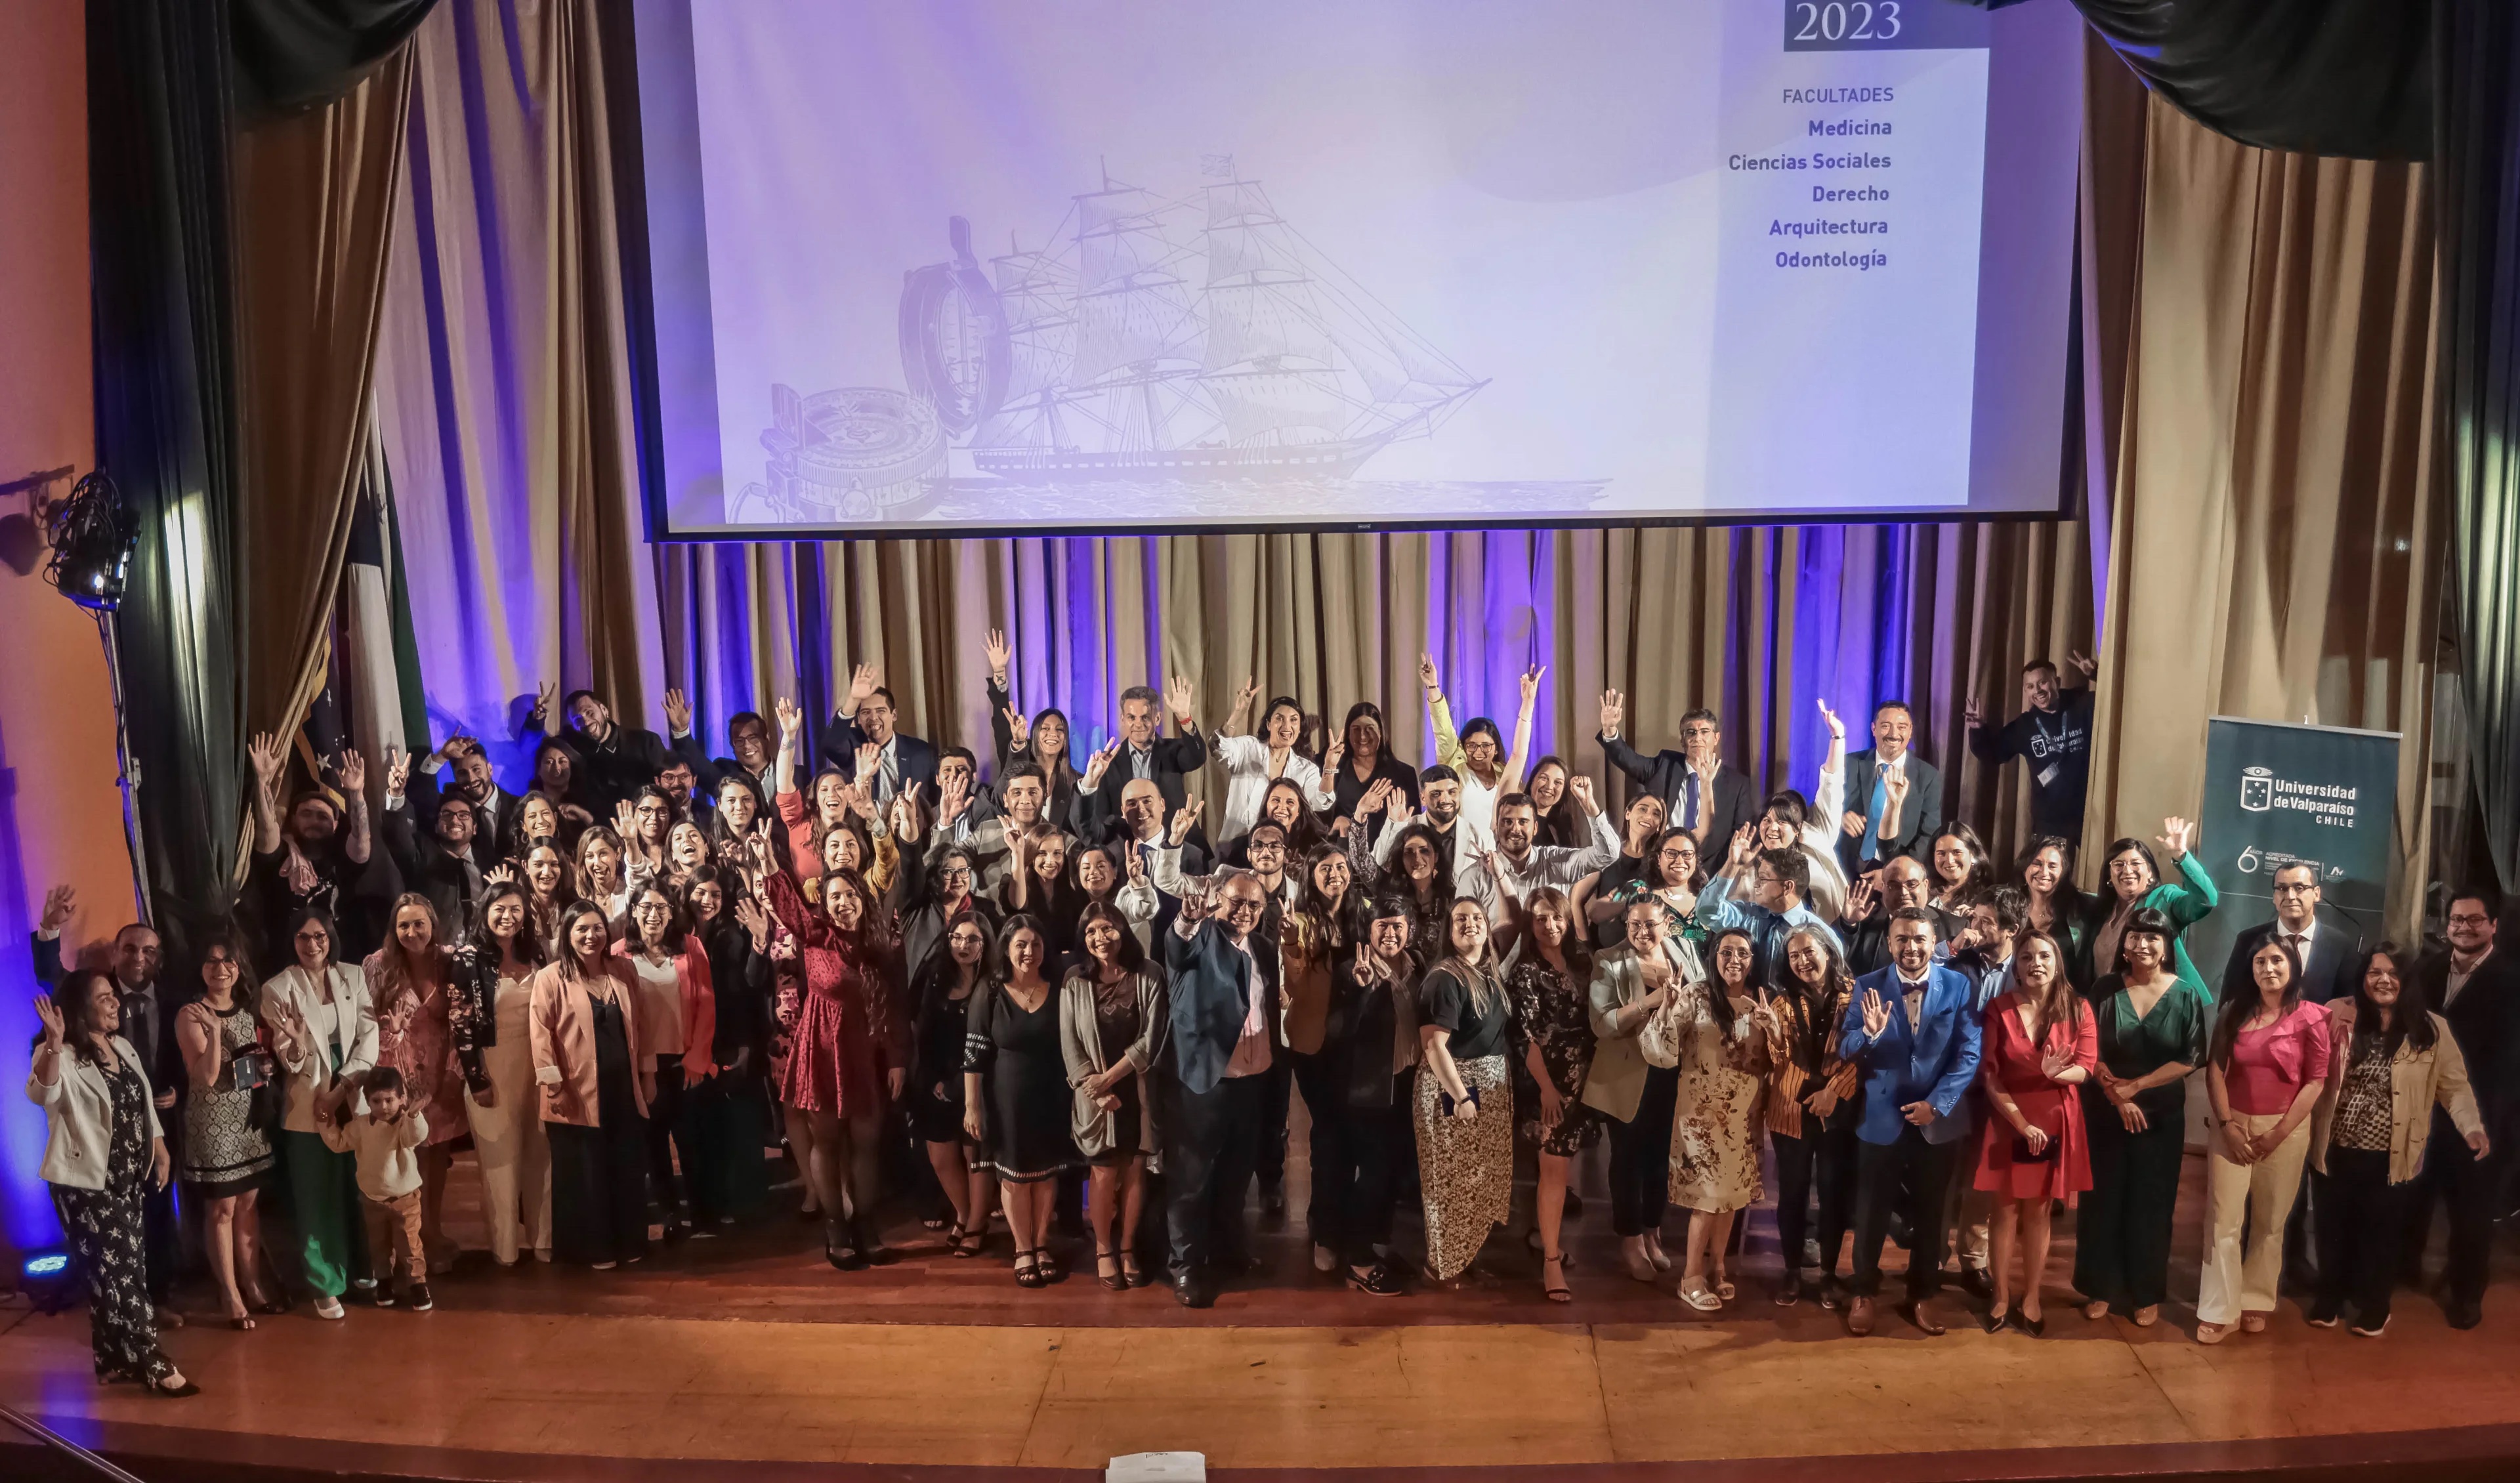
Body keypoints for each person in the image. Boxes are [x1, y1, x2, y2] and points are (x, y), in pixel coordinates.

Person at [28, 972, 196, 1395]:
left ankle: (110, 1359)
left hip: (127, 1179)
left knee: (117, 1273)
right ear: (81, 1007)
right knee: (122, 1276)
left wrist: (159, 1146)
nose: (115, 1003)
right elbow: (42, 1093)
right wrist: (53, 1042)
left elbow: (143, 1104)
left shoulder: (122, 1046)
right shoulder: (59, 1053)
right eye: (103, 998)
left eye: (112, 996)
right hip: (86, 1186)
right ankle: (151, 1360)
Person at [2309, 945, 2487, 1337]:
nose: (2383, 980)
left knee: (2382, 1232)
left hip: (2393, 1152)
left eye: (2393, 973)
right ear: (2363, 977)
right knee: (2332, 1227)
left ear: (2407, 980)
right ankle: (2330, 1297)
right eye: (2375, 972)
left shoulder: (2431, 1028)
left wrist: (2471, 1127)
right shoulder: (2337, 1013)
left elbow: (2454, 1086)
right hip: (2335, 1145)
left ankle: (2376, 1305)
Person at [33, 885, 184, 1318]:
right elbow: (51, 977)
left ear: (159, 958)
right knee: (113, 1242)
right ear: (115, 954)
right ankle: (121, 1314)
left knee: (156, 1216)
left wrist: (176, 1091)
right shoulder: (91, 994)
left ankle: (154, 1299)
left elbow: (179, 1060)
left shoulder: (173, 1001)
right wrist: (49, 928)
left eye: (150, 951)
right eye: (130, 948)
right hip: (98, 1141)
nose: (140, 957)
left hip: (153, 1129)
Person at [1838, 906, 1981, 1337]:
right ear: (1889, 943)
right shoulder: (1867, 985)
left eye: (1920, 938)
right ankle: (1864, 1291)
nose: (1911, 947)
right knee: (1871, 1212)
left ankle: (1922, 1294)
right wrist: (1870, 1033)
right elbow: (1846, 1048)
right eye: (1902, 938)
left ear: (1933, 941)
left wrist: (1937, 1104)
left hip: (1937, 1120)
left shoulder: (1959, 984)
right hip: (1881, 1118)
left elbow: (1969, 1052)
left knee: (1933, 1214)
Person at [759, 856, 907, 1270]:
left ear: (863, 898)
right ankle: (836, 1229)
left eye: (850, 894)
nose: (844, 902)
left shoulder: (881, 944)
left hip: (869, 1052)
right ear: (824, 905)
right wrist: (769, 864)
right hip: (823, 1050)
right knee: (826, 1143)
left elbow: (897, 1005)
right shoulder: (816, 936)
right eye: (834, 897)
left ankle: (866, 1226)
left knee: (866, 1144)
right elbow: (789, 908)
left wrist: (898, 1059)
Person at [2074, 907, 2208, 1326]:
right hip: (2106, 1110)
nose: (2143, 944)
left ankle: (2145, 1292)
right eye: (2135, 936)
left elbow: (2192, 1057)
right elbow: (2088, 1048)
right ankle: (2100, 1287)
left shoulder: (2185, 994)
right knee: (2103, 1200)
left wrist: (2137, 1087)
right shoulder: (2104, 988)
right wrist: (2117, 1095)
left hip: (2161, 1116)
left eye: (2153, 937)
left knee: (2152, 1204)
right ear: (2124, 944)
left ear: (2167, 945)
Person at [2198, 937, 2332, 1343]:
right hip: (2233, 1125)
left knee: (2271, 1223)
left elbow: (2316, 1082)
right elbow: (2215, 1069)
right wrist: (2226, 1124)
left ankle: (2255, 1299)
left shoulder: (2312, 1017)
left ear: (2293, 966)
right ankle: (2220, 1310)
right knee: (2223, 1220)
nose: (2268, 968)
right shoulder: (2234, 1011)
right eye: (2260, 961)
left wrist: (2277, 1134)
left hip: (2285, 1130)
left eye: (2277, 960)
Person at [1157, 871, 1280, 1308]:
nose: (1245, 912)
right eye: (1237, 902)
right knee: (1191, 1178)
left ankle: (1228, 1249)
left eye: (1254, 905)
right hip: (1204, 1081)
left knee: (1236, 1174)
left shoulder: (1263, 947)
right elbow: (1178, 946)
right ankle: (1185, 1265)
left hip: (1253, 1080)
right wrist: (1188, 920)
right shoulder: (1202, 937)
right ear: (1218, 901)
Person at [1971, 929, 2093, 1335]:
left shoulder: (2078, 1008)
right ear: (2016, 967)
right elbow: (1990, 1074)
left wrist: (2056, 1073)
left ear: (2057, 963)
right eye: (2026, 957)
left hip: (2054, 1119)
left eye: (2044, 956)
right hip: (2010, 1120)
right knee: (2004, 1210)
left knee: (2039, 1212)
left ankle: (2033, 1297)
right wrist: (2021, 1124)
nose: (2035, 963)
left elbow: (2086, 1068)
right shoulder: (1999, 1008)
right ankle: (2001, 1295)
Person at [2404, 890, 2517, 1329]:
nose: (2463, 927)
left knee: (2471, 1215)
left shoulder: (2512, 980)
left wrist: (2493, 1123)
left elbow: (2510, 1065)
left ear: (2494, 926)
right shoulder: (2426, 969)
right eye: (2456, 919)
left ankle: (2467, 1294)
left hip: (2481, 1119)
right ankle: (2404, 1271)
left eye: (2474, 920)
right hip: (2423, 1113)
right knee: (2414, 1198)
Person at [260, 908, 377, 1320]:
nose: (312, 945)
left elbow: (369, 1037)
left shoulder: (353, 976)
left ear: (331, 938)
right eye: (303, 937)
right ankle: (324, 1283)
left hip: (353, 1091)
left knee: (358, 1187)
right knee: (315, 1194)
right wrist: (295, 1045)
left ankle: (363, 1269)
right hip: (307, 1102)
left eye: (320, 936)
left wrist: (342, 1087)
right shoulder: (277, 988)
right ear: (292, 941)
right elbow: (288, 1060)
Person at [531, 902, 654, 1270]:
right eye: (581, 929)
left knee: (626, 1167)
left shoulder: (624, 969)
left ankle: (630, 1242)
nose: (591, 936)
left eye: (597, 928)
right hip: (575, 1093)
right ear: (567, 934)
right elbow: (540, 1036)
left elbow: (643, 1026)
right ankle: (595, 1249)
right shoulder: (550, 977)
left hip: (623, 1089)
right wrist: (554, 1087)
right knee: (586, 1173)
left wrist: (648, 1074)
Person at [1586, 898, 1697, 1284]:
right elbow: (1601, 1023)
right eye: (1634, 924)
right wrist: (1647, 1003)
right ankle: (1630, 1240)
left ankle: (1652, 1232)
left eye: (1650, 924)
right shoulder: (1608, 959)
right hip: (1627, 1075)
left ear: (1667, 925)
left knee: (1660, 1161)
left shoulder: (1684, 951)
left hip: (1674, 1075)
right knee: (1628, 1161)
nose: (1642, 932)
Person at [173, 934, 280, 1327]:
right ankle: (230, 1293)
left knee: (249, 1204)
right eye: (212, 961)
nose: (221, 969)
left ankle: (252, 1283)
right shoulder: (191, 1014)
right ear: (201, 969)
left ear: (239, 967)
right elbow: (205, 1076)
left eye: (228, 961)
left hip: (248, 1118)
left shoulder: (249, 1011)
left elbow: (252, 1068)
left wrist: (264, 1067)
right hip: (212, 1121)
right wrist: (216, 1032)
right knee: (222, 1208)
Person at [965, 915, 1077, 1287]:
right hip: (1005, 1100)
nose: (1030, 952)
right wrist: (972, 1106)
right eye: (1021, 945)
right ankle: (1022, 1248)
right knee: (1014, 1176)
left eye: (1036, 944)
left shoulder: (1060, 988)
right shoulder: (990, 991)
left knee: (1045, 1174)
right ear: (1007, 949)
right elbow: (974, 1055)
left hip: (1052, 1095)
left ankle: (1041, 1243)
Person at [1665, 927, 1772, 1311]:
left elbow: (1777, 1057)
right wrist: (1666, 1008)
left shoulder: (1761, 1000)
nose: (1734, 960)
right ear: (1714, 958)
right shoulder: (1695, 995)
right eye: (1726, 952)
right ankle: (1690, 1276)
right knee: (1708, 1198)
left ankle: (1718, 1266)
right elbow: (1662, 1049)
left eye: (1743, 952)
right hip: (1701, 1115)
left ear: (1753, 960)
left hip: (1744, 1114)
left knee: (1732, 1197)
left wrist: (1774, 1028)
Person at [1060, 901, 1166, 1289]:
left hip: (1137, 1089)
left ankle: (1127, 1247)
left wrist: (1110, 1078)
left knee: (1136, 1168)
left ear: (1123, 929)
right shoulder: (1074, 979)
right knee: (1103, 1173)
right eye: (1091, 931)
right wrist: (1096, 1087)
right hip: (1094, 1095)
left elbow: (1153, 1038)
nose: (1100, 937)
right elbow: (1070, 1042)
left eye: (1107, 928)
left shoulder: (1149, 973)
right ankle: (1104, 1249)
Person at [1314, 900, 1417, 1297]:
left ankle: (1375, 1245)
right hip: (1366, 1094)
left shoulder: (1418, 965)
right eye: (1382, 926)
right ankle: (1358, 1262)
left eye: (1397, 925)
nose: (1390, 934)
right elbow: (1337, 1031)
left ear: (1409, 929)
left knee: (1392, 1173)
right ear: (1368, 931)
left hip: (1405, 1086)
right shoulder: (1351, 969)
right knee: (1372, 1175)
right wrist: (1360, 990)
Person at [362, 894, 468, 1276]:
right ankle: (409, 1241)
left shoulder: (451, 961)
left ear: (433, 925)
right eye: (403, 925)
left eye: (419, 923)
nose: (412, 932)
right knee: (408, 1156)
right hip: (399, 1075)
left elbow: (463, 1018)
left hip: (442, 1074)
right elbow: (368, 1025)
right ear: (394, 929)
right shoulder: (377, 964)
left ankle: (433, 1231)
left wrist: (455, 1072)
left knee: (438, 1157)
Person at [452, 879, 553, 1266]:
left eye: (515, 909)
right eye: (500, 909)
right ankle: (505, 1247)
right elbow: (460, 1024)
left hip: (537, 1064)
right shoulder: (467, 958)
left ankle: (544, 1238)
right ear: (486, 912)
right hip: (492, 1067)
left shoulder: (536, 953)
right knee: (500, 1161)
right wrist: (476, 1080)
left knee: (542, 1154)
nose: (508, 917)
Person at [1414, 897, 1515, 1285]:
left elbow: (1514, 920)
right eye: (1460, 919)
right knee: (1450, 1180)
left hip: (1488, 1084)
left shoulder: (1487, 971)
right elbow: (1434, 1047)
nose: (1470, 924)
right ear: (1449, 929)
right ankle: (1441, 1266)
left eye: (1477, 918)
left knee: (1475, 1179)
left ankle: (1464, 1256)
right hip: (1456, 1086)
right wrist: (1461, 1097)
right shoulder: (1445, 978)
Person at [1509, 887, 1600, 1303]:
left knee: (1562, 1170)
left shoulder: (1581, 961)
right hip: (1549, 1085)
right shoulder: (1527, 972)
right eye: (1541, 918)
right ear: (1530, 924)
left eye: (1557, 916)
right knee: (1554, 1173)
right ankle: (1550, 1260)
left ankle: (1541, 1237)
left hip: (1584, 1081)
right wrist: (1546, 1088)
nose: (1551, 925)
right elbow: (1525, 1038)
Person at [617, 882, 719, 1241]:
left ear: (672, 913)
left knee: (694, 1143)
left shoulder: (691, 947)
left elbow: (707, 1004)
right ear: (633, 912)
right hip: (644, 1067)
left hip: (685, 1063)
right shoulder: (618, 955)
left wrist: (698, 1059)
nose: (653, 915)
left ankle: (704, 1212)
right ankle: (670, 1214)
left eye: (661, 907)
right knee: (654, 1146)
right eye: (645, 907)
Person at [1765, 925, 1860, 1307]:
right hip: (1791, 1107)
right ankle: (1791, 1271)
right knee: (1792, 1193)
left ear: (1828, 952)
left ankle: (1829, 1274)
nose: (1803, 961)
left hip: (1838, 1108)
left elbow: (1865, 1052)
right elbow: (1777, 1060)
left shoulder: (1856, 995)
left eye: (1809, 952)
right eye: (1794, 956)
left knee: (1835, 1193)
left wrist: (1833, 1091)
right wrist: (1773, 1036)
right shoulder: (1780, 1003)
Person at [682, 869, 772, 1227]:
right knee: (706, 1130)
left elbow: (752, 984)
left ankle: (748, 1206)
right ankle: (710, 1207)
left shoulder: (734, 934)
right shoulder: (679, 936)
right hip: (691, 1046)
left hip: (732, 1042)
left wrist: (759, 942)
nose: (708, 901)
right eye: (701, 893)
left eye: (716, 894)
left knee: (741, 1127)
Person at [245, 732, 377, 971]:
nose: (314, 821)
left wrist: (357, 794)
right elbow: (267, 830)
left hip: (339, 968)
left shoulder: (342, 859)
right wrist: (262, 781)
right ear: (293, 820)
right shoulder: (282, 856)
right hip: (285, 969)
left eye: (323, 817)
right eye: (306, 814)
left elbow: (361, 841)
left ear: (335, 825)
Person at [912, 909, 995, 1257]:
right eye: (957, 938)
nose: (963, 945)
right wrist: (934, 1080)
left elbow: (992, 1041)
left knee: (974, 1156)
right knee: (940, 1155)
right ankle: (963, 1213)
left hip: (977, 1082)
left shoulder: (993, 983)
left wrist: (958, 1084)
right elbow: (922, 1031)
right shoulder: (935, 977)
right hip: (936, 1080)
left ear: (985, 944)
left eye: (973, 939)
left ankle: (976, 1224)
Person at [320, 1065, 432, 1311]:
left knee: (410, 1245)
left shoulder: (404, 1123)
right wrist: (325, 1124)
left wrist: (414, 1115)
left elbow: (416, 1137)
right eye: (377, 1101)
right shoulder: (361, 1126)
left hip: (404, 1199)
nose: (384, 1107)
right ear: (368, 1101)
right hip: (372, 1200)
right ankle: (384, 1282)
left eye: (390, 1100)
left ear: (402, 1099)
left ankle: (417, 1284)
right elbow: (340, 1142)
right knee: (379, 1246)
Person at [1596, 694, 1758, 857]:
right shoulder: (1665, 765)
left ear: (1716, 738)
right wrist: (1609, 730)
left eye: (1704, 732)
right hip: (1660, 861)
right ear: (1682, 740)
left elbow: (1741, 834)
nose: (1697, 738)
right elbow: (1628, 760)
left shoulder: (1737, 784)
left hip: (1710, 867)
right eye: (1691, 732)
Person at [1419, 654, 1540, 869]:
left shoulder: (1504, 777)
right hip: (1459, 859)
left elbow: (1519, 754)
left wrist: (1528, 703)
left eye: (1486, 746)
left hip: (1499, 860)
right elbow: (1443, 730)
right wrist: (1433, 687)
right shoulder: (1455, 768)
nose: (1478, 752)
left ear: (1496, 748)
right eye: (1472, 745)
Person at [1964, 653, 2097, 840]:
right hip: (2050, 821)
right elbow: (1993, 754)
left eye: (2043, 683)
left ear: (2057, 682)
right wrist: (1978, 729)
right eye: (2030, 686)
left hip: (2092, 812)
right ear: (2025, 691)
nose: (2038, 691)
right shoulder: (2025, 726)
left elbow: (2115, 701)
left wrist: (2096, 674)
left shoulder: (2082, 705)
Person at [2078, 820, 2217, 992]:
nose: (2127, 870)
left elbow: (2206, 900)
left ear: (2150, 872)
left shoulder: (2164, 898)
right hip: (2104, 1002)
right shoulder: (2100, 910)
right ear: (2109, 874)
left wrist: (2181, 855)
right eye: (2119, 865)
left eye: (2136, 863)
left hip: (2158, 1001)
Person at [1695, 831, 1843, 980]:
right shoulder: (1746, 916)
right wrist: (1732, 865)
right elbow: (1707, 911)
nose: (1756, 884)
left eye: (1763, 879)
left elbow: (1834, 981)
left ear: (1787, 887)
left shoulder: (1819, 934)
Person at [1211, 680, 1337, 843]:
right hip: (1235, 845)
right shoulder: (1248, 748)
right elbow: (1218, 748)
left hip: (1280, 849)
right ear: (1269, 724)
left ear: (1299, 728)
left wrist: (1330, 767)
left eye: (1293, 720)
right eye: (1280, 719)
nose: (1287, 726)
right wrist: (1238, 713)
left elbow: (1321, 801)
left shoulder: (1306, 769)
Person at [1078, 677, 1210, 830]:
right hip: (1127, 840)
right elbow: (1101, 817)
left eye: (1145, 718)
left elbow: (1198, 757)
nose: (1138, 724)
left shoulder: (1173, 751)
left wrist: (1184, 718)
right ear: (1123, 719)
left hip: (1174, 837)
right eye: (1131, 718)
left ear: (1157, 718)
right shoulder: (1108, 762)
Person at [381, 754, 491, 932]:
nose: (455, 820)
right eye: (447, 814)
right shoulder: (420, 854)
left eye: (463, 815)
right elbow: (397, 837)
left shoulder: (489, 863)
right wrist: (396, 794)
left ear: (475, 828)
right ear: (437, 826)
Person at [1836, 700, 1942, 878]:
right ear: (1874, 729)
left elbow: (1929, 834)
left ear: (1911, 731)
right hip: (1843, 871)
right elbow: (1819, 809)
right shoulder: (1848, 764)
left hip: (1898, 879)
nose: (1894, 734)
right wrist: (1838, 817)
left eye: (1902, 727)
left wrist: (1895, 873)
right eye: (1886, 726)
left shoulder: (1928, 777)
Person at [822, 662, 940, 805]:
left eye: (880, 711)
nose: (873, 718)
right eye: (866, 712)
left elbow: (935, 803)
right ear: (858, 719)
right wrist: (854, 699)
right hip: (864, 819)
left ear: (894, 715)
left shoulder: (922, 752)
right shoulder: (853, 745)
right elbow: (831, 743)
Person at [1574, 791, 1669, 949]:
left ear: (1659, 825)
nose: (1648, 816)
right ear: (1628, 814)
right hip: (1604, 951)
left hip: (1644, 950)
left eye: (1656, 814)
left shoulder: (1660, 862)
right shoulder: (1607, 853)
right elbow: (1577, 900)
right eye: (1643, 809)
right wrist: (1585, 947)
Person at [1324, 700, 1420, 824]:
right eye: (1356, 729)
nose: (1363, 736)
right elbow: (1320, 814)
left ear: (1381, 733)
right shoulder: (1335, 769)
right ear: (1348, 734)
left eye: (1369, 728)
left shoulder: (1405, 773)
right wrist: (1338, 819)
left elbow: (1416, 823)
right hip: (1343, 837)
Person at [2013, 837, 2091, 986]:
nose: (2044, 872)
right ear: (2024, 868)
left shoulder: (2081, 908)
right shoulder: (2010, 907)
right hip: (2019, 994)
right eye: (2037, 864)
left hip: (2067, 996)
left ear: (2063, 873)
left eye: (2052, 866)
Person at [1927, 824, 1994, 915]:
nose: (1949, 861)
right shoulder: (1923, 890)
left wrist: (1976, 919)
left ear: (1973, 854)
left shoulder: (1988, 898)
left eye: (1956, 852)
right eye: (1941, 854)